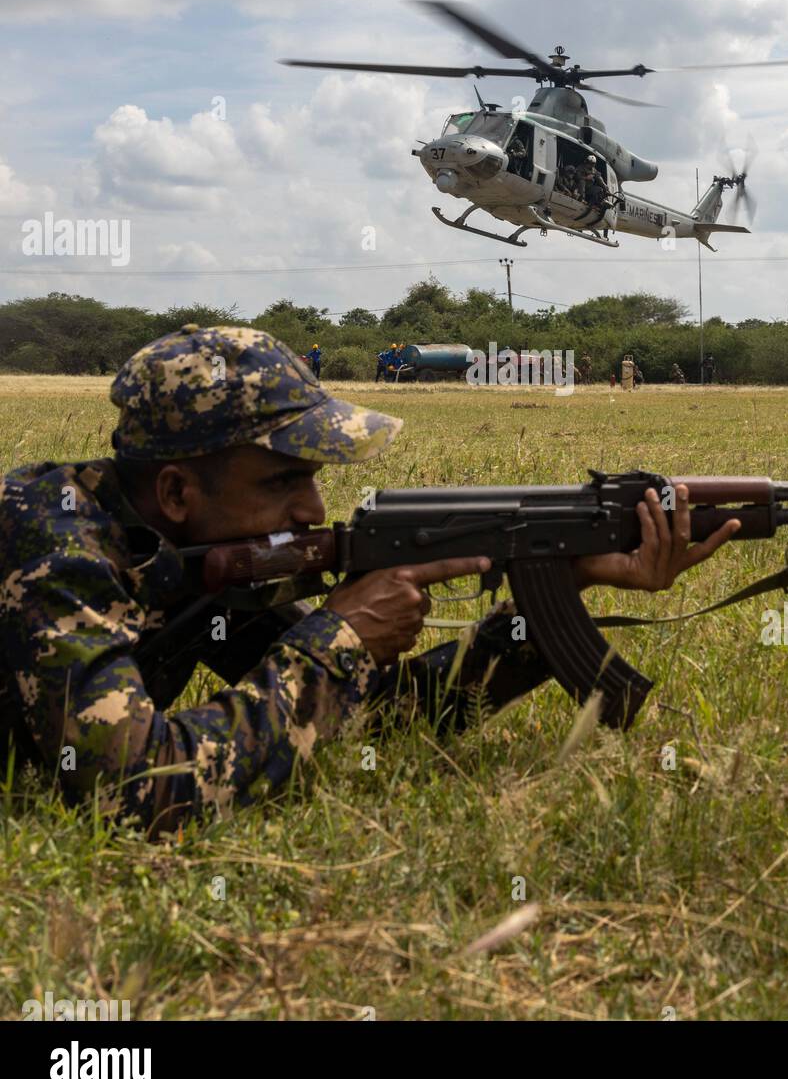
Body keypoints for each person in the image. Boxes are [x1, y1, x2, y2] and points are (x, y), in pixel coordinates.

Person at [0, 325, 738, 838]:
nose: (313, 508)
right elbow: (138, 794)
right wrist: (336, 640)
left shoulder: (196, 556)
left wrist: (562, 587)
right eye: (284, 479)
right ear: (175, 492)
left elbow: (376, 716)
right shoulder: (52, 552)